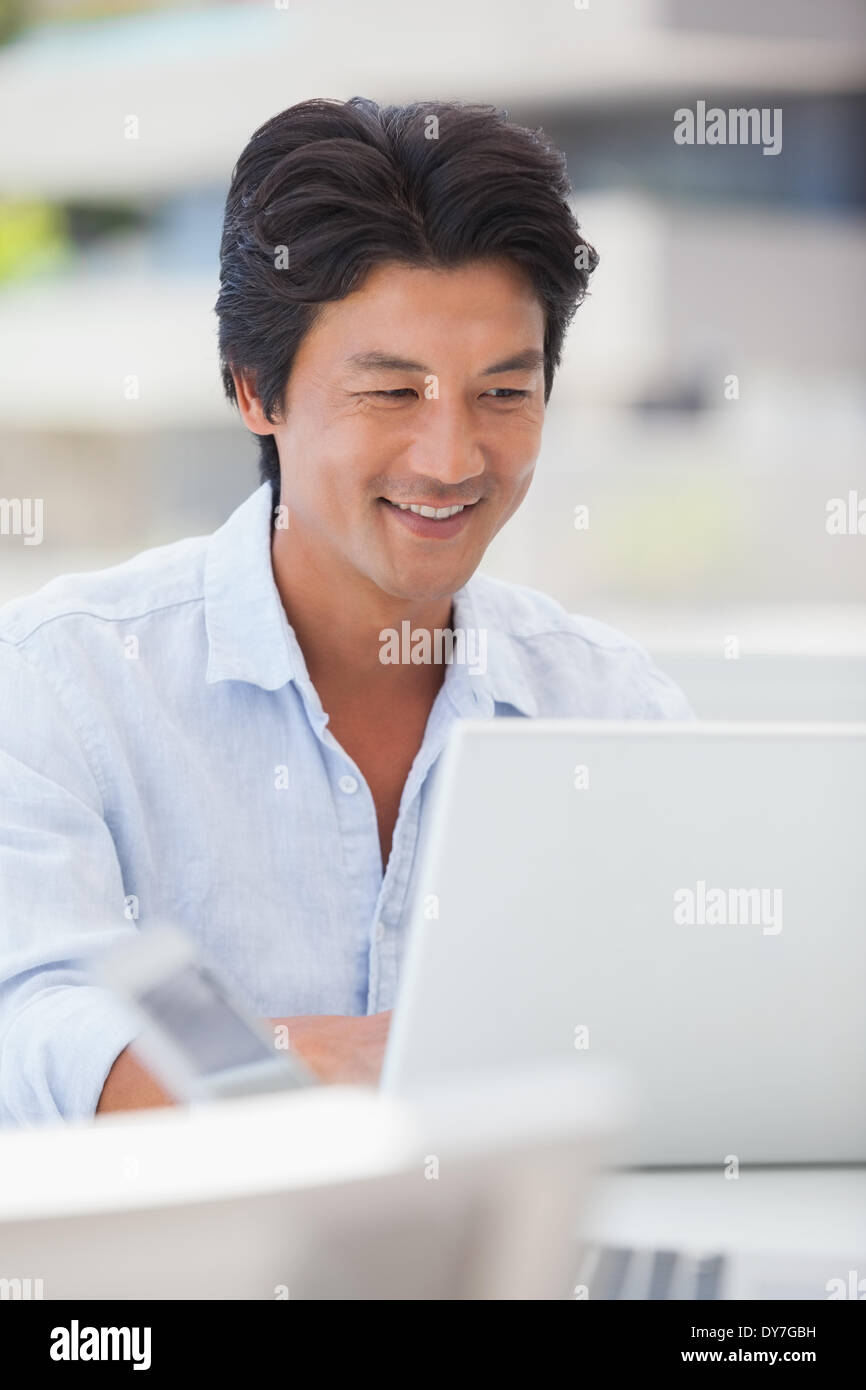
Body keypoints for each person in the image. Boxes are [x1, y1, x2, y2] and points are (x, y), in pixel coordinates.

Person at [0, 97, 692, 1125]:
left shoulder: (610, 706)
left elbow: (697, 1025)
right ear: (254, 390)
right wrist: (290, 1065)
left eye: (502, 393)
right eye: (390, 393)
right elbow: (29, 1024)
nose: (451, 459)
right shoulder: (65, 680)